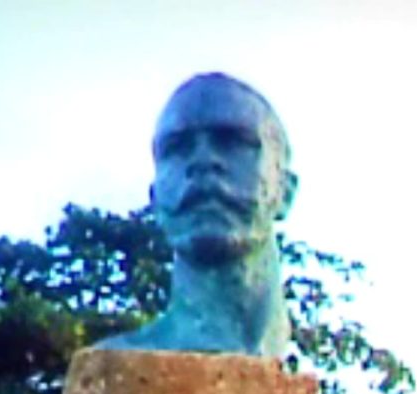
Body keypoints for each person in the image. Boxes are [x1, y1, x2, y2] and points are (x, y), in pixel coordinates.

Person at [97, 73, 297, 358]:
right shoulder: (112, 365)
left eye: (233, 142)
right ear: (155, 199)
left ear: (285, 191)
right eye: (176, 148)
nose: (203, 160)